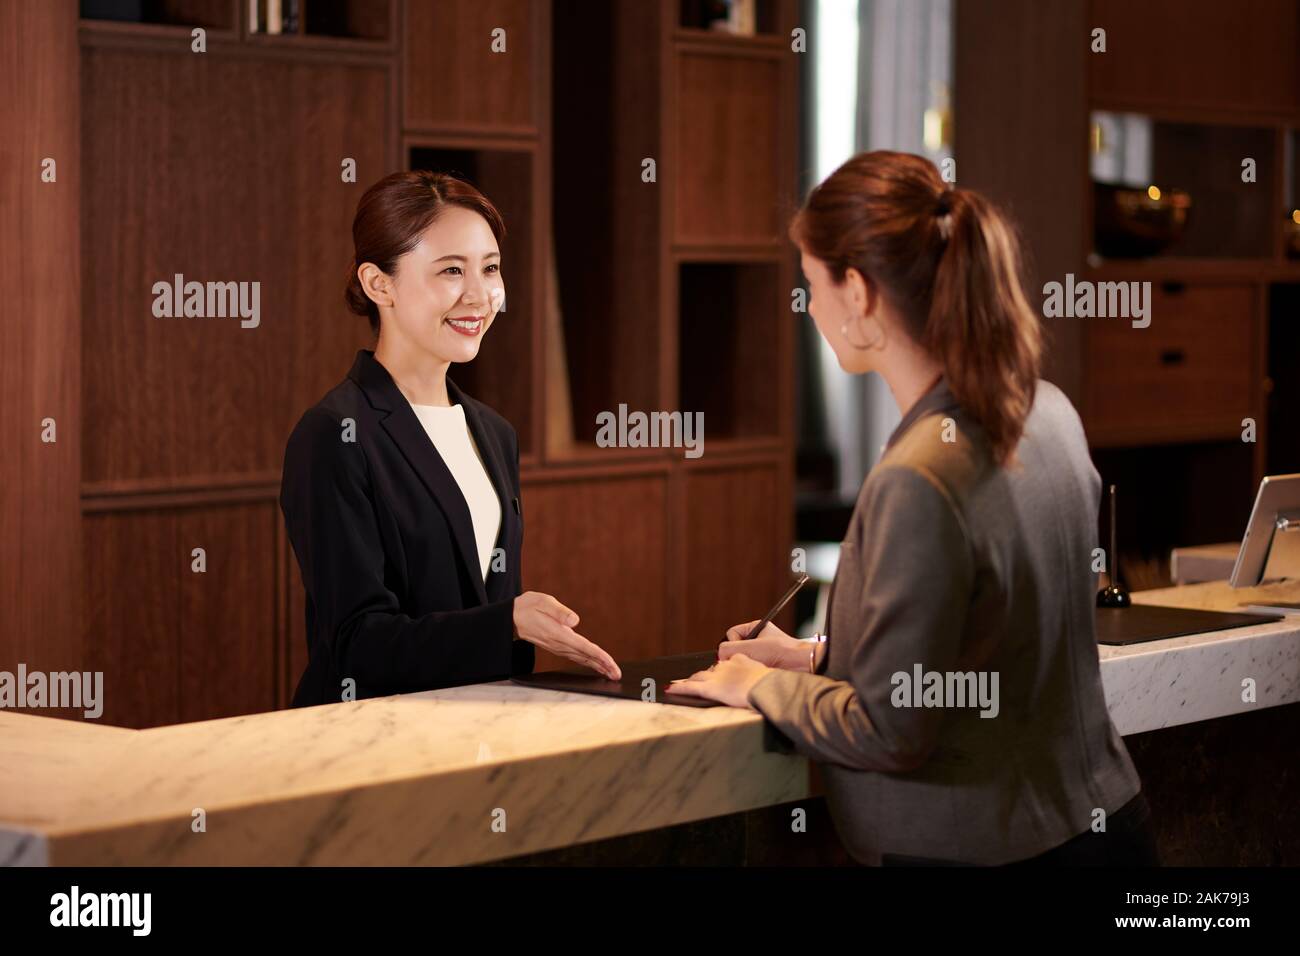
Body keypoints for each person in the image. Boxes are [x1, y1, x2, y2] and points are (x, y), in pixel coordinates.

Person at [667, 151, 1158, 867]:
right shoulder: (1048, 413)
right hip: (1104, 829)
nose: (809, 310)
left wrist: (762, 685)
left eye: (811, 286)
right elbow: (991, 638)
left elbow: (891, 730)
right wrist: (819, 658)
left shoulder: (920, 476)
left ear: (858, 293)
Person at [281, 171, 620, 708]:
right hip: (369, 749)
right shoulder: (334, 435)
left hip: (472, 734)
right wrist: (506, 621)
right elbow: (355, 643)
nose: (480, 295)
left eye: (490, 269)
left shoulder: (492, 431)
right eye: (451, 271)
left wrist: (513, 630)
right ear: (379, 284)